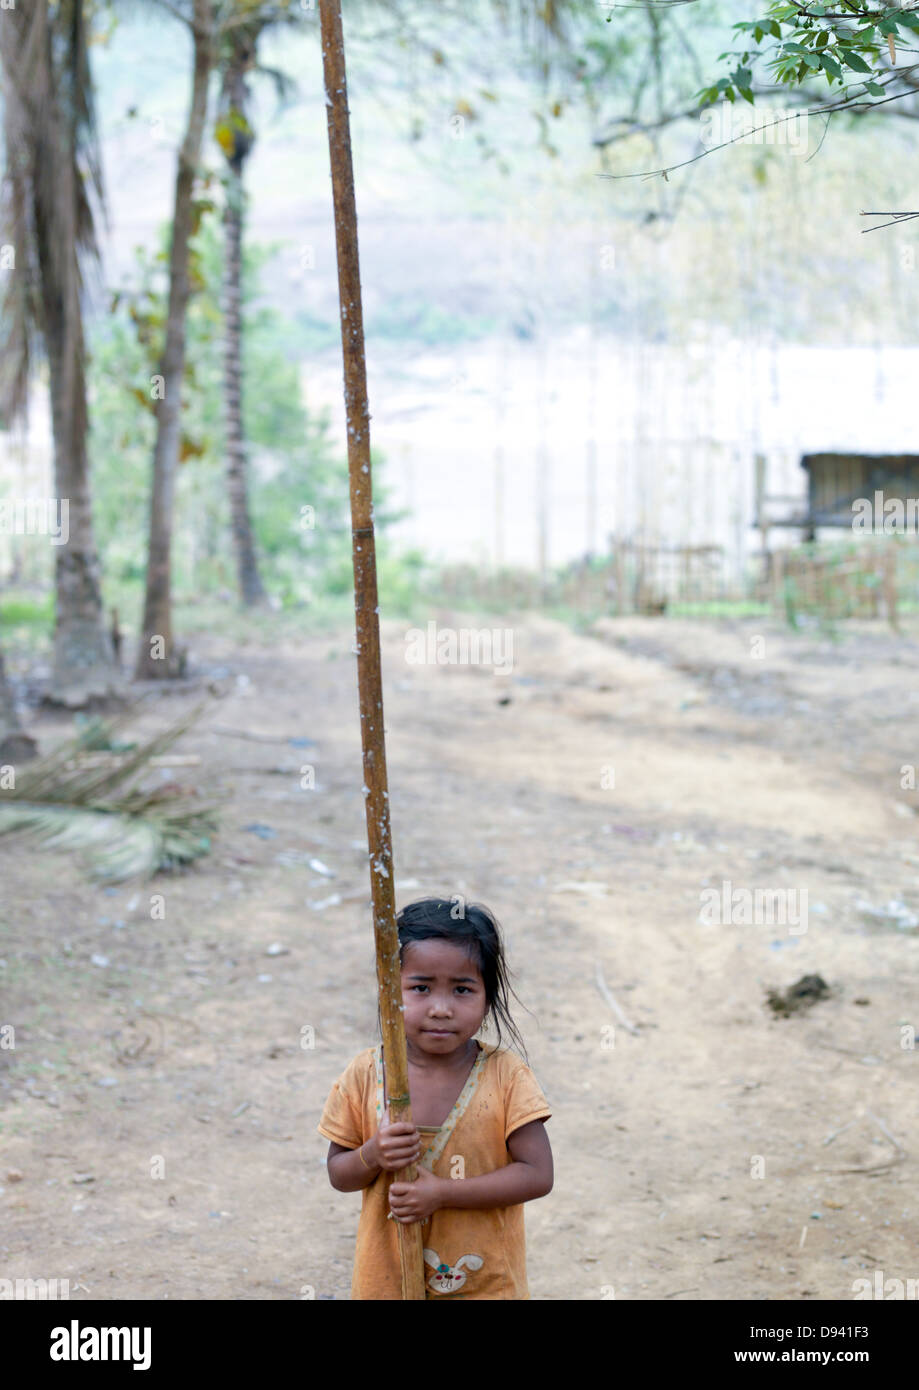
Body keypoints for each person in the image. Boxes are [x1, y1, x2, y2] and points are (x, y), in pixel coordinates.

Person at [317, 896, 553, 1300]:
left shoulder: (506, 1076)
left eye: (462, 989)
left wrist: (442, 1193)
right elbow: (340, 1174)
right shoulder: (366, 1074)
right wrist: (373, 1154)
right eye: (421, 988)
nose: (441, 1009)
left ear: (487, 998)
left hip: (484, 1282)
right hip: (387, 1283)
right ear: (389, 991)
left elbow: (537, 1174)